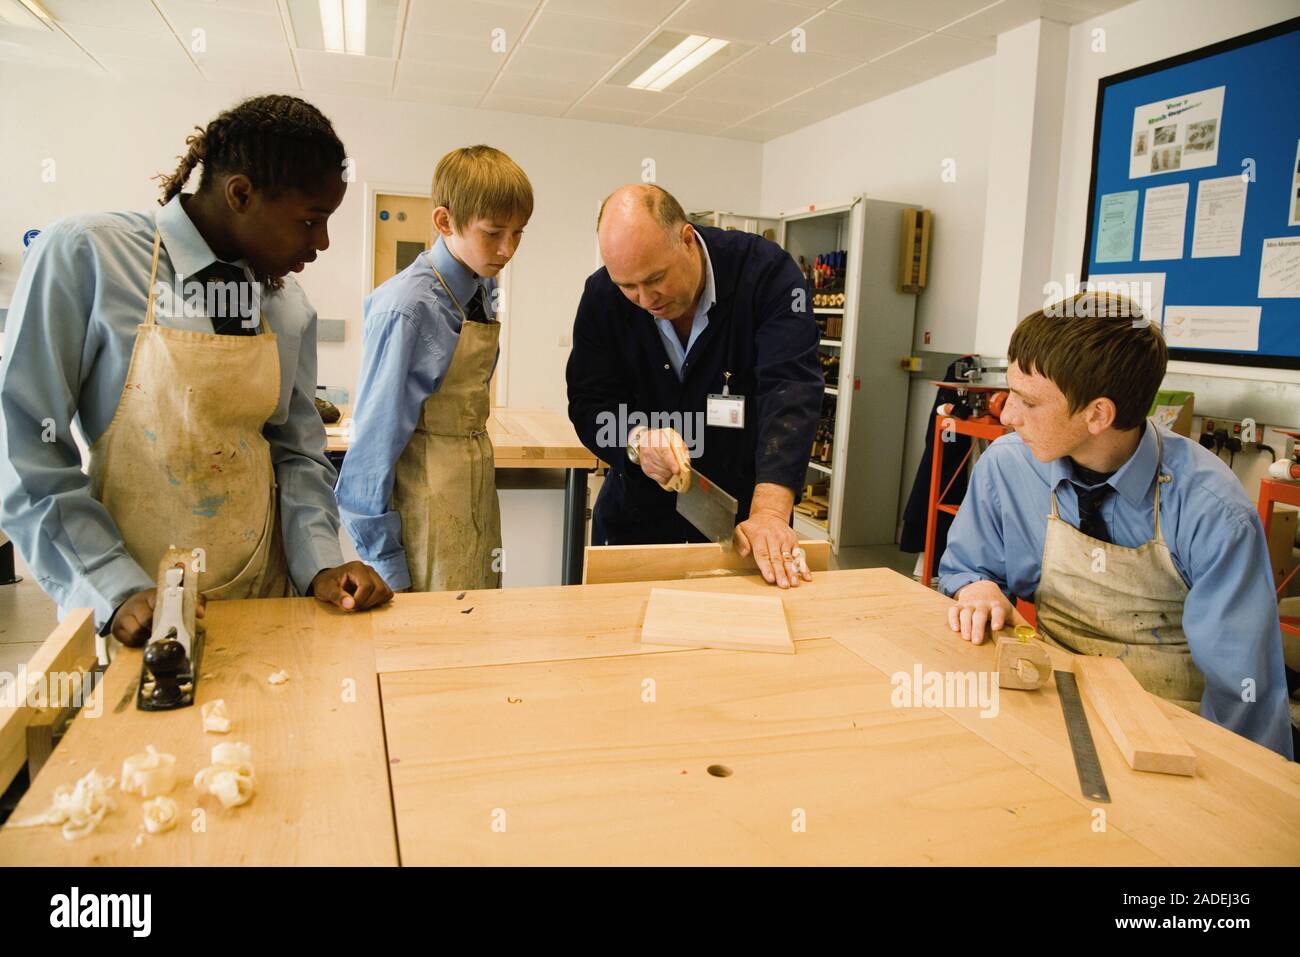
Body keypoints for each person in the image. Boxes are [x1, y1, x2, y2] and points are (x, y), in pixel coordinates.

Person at [0, 94, 392, 655]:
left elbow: (296, 452)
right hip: (134, 615)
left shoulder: (285, 304)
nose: (322, 243)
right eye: (310, 220)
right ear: (240, 194)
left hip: (268, 604)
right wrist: (113, 588)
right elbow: (25, 448)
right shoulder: (89, 257)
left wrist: (321, 566)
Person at [939, 291, 1292, 757]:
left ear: (1098, 415)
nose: (1006, 415)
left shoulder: (1212, 510)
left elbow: (1244, 694)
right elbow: (967, 567)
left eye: (1027, 401)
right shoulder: (1008, 466)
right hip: (1049, 705)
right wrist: (976, 588)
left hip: (1171, 734)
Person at [567, 184, 823, 589]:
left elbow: (790, 390)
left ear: (687, 239)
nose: (645, 298)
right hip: (635, 523)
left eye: (655, 279)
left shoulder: (767, 274)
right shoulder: (601, 296)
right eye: (628, 286)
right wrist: (637, 442)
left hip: (745, 529)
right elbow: (589, 403)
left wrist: (771, 513)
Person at [336, 146, 532, 592]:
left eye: (518, 233)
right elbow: (370, 451)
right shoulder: (406, 308)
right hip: (422, 515)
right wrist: (387, 567)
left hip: (473, 494)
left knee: (475, 639)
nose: (508, 249)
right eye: (493, 233)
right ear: (444, 222)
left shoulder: (482, 286)